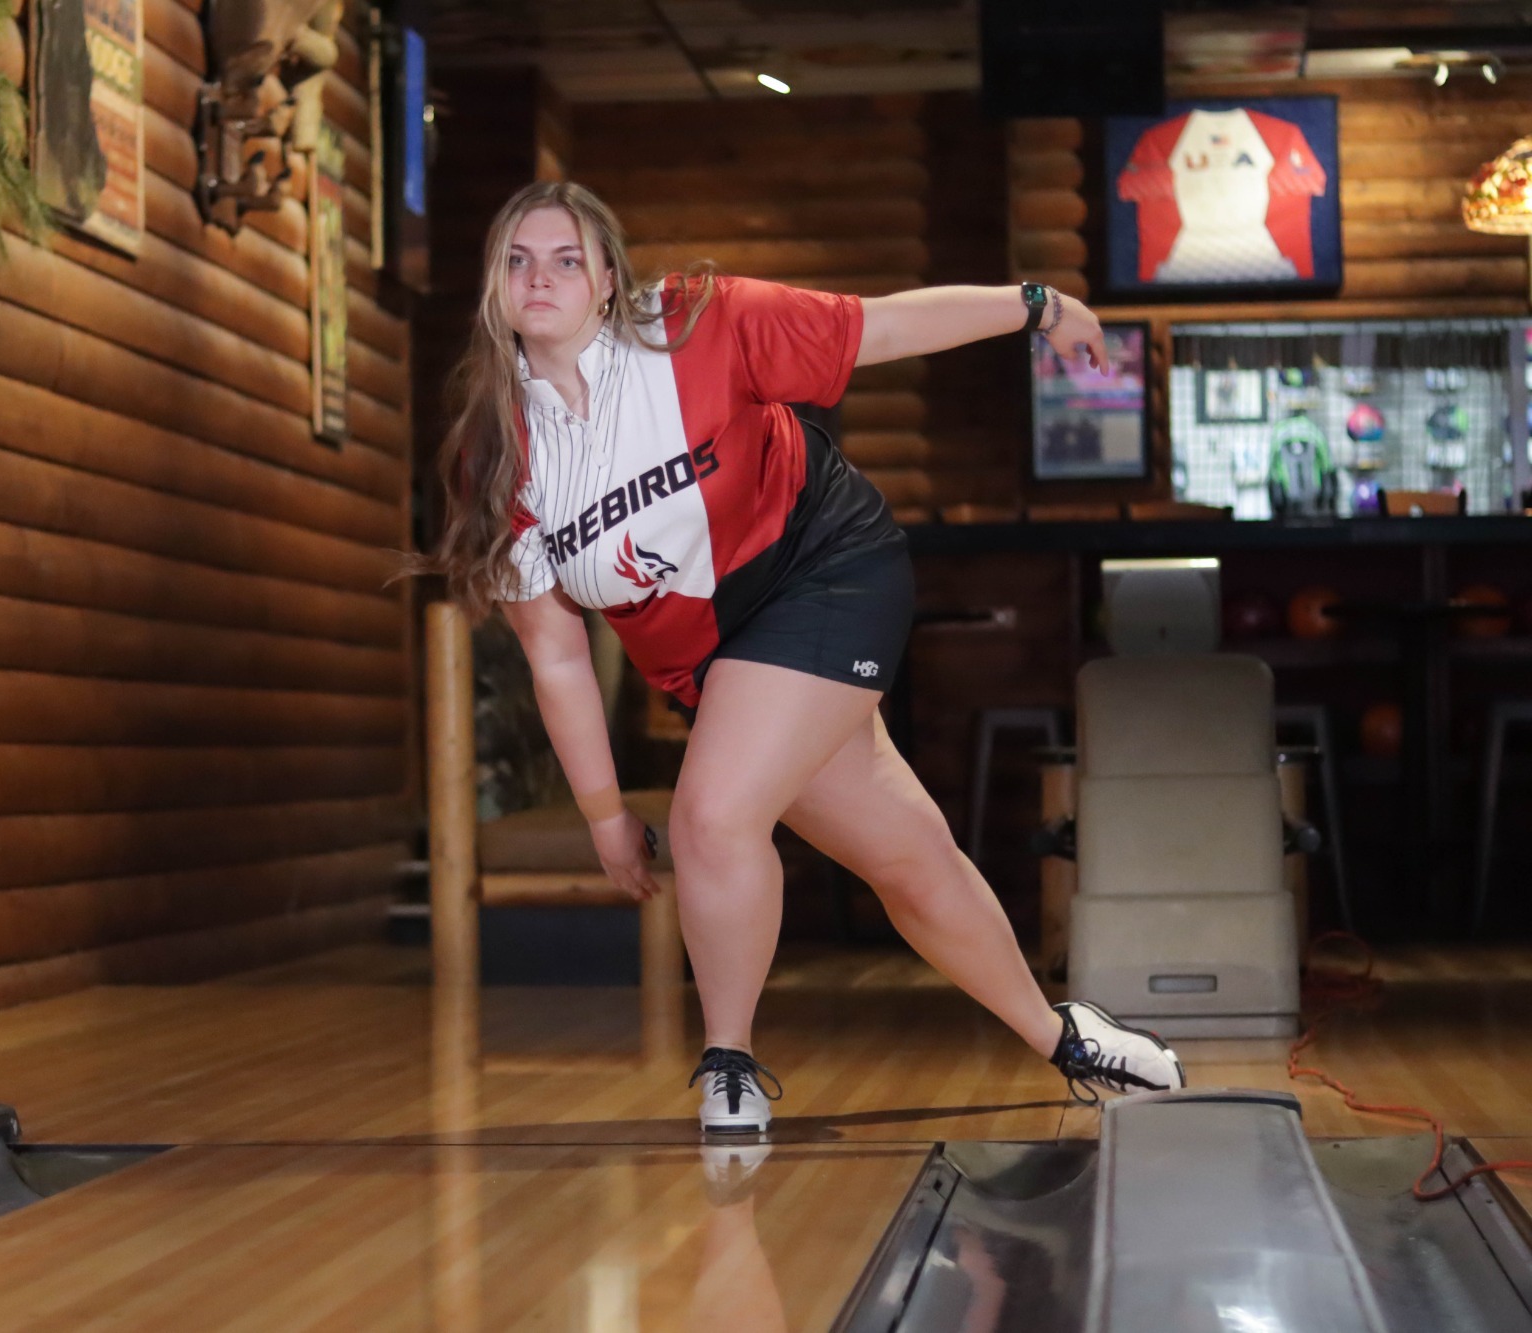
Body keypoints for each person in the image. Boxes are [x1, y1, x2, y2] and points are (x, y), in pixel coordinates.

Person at [416, 180, 1185, 1133]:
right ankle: (1065, 1035)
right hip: (718, 660)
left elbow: (880, 327)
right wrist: (604, 813)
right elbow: (558, 656)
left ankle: (728, 1061)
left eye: (567, 259)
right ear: (494, 285)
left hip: (824, 570)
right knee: (907, 855)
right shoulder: (496, 454)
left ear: (608, 279)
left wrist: (1036, 305)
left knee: (711, 815)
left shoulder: (700, 325)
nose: (541, 278)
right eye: (519, 261)